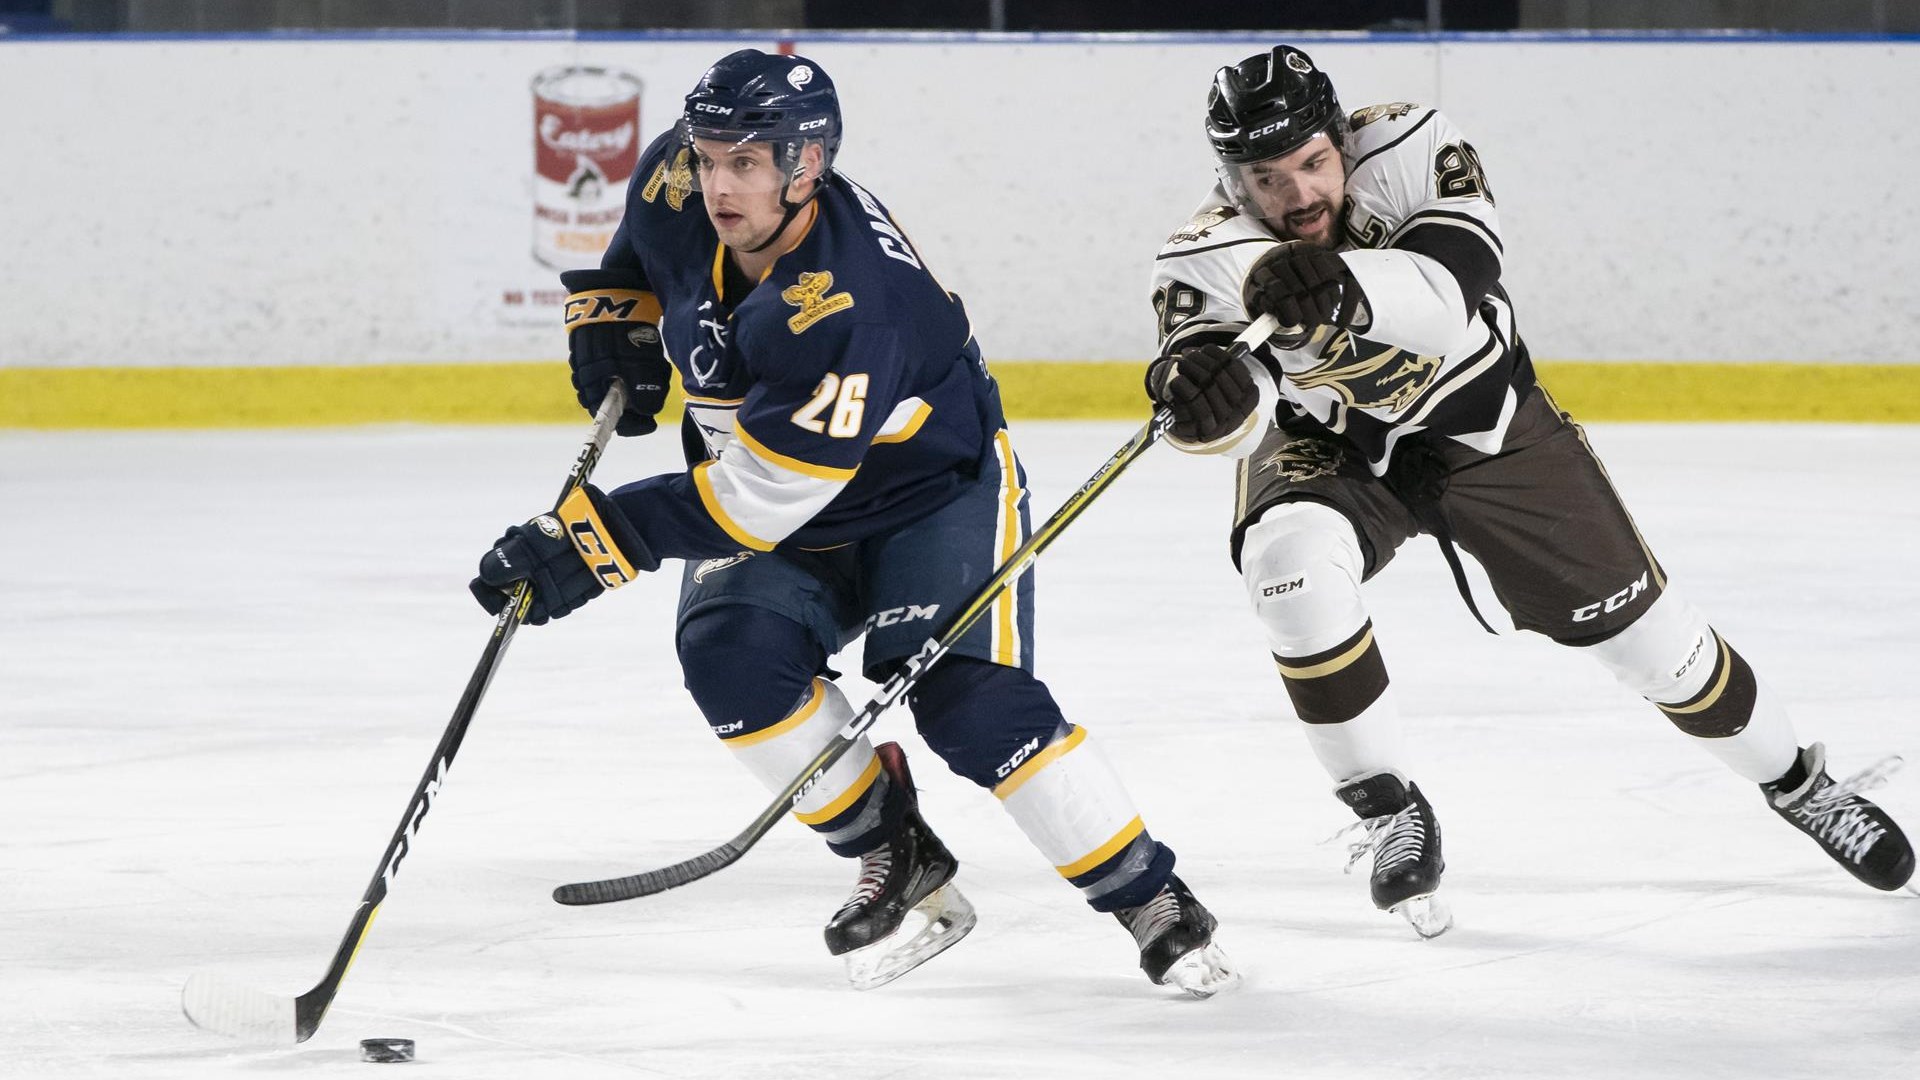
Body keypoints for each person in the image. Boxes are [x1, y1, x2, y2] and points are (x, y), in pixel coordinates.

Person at [468, 49, 1237, 996]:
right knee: (732, 661)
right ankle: (896, 852)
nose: (716, 180)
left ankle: (1149, 898)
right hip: (777, 487)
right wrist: (611, 317)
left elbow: (754, 505)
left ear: (808, 165)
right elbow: (643, 250)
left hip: (929, 493)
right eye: (710, 155)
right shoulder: (678, 174)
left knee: (970, 705)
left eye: (745, 162)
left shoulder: (846, 303)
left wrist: (588, 544)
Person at [1144, 44, 1916, 936]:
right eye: (1266, 180)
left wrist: (1344, 287)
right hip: (1335, 448)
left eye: (1312, 163)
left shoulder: (1411, 144)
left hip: (1489, 430)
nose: (1298, 196)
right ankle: (1390, 807)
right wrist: (1211, 405)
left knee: (1656, 651)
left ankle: (1798, 783)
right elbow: (1219, 404)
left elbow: (1447, 294)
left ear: (1341, 144)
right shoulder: (1203, 255)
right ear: (1232, 184)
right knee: (1287, 571)